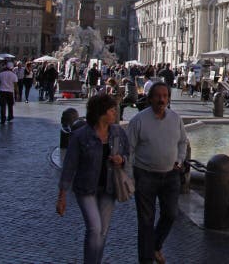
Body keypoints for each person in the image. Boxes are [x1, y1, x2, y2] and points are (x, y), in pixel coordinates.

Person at [57, 94, 129, 264]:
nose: (115, 113)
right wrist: (62, 195)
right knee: (94, 228)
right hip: (86, 188)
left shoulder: (118, 132)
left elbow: (128, 153)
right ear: (101, 112)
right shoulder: (81, 135)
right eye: (112, 110)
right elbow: (69, 166)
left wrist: (122, 159)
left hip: (109, 187)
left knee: (102, 231)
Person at [128, 81, 188, 264]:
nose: (162, 100)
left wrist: (179, 160)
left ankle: (154, 245)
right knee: (145, 221)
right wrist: (129, 176)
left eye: (165, 96)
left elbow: (182, 142)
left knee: (170, 214)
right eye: (158, 96)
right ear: (150, 98)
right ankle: (145, 260)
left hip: (170, 175)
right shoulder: (138, 121)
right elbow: (130, 149)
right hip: (145, 174)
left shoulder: (175, 119)